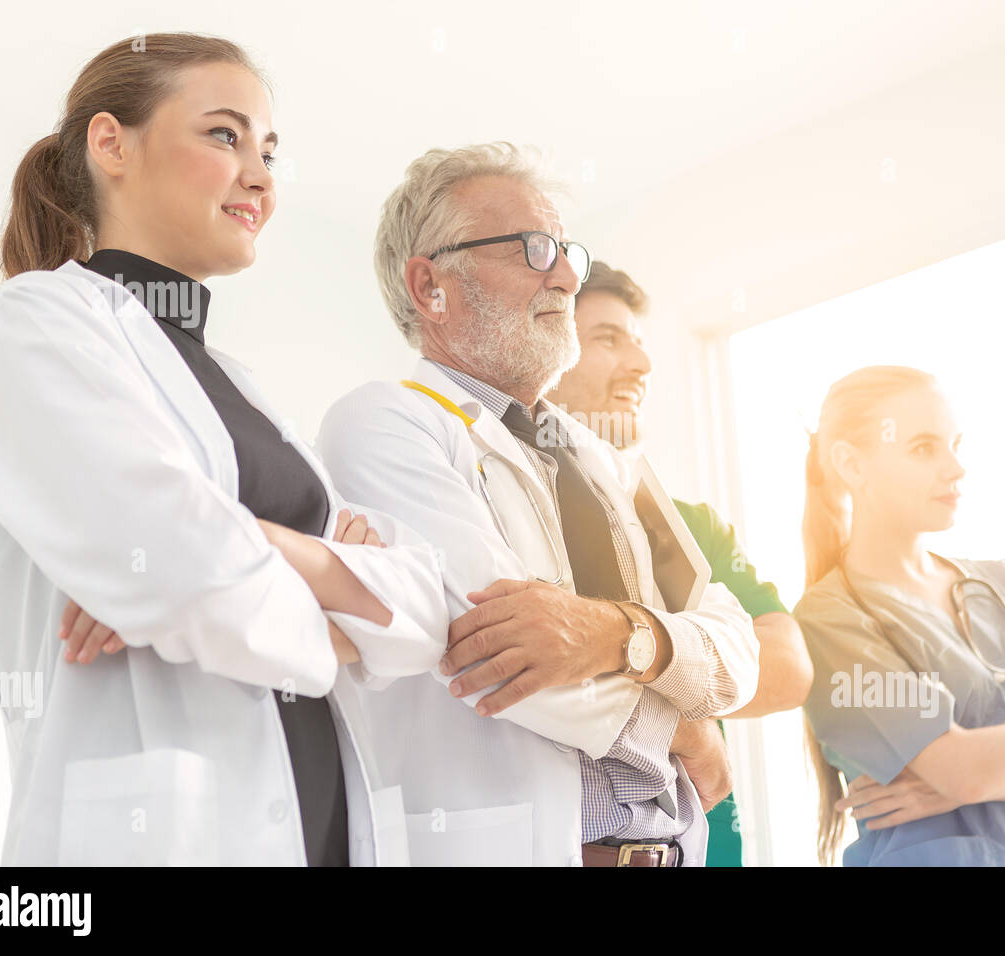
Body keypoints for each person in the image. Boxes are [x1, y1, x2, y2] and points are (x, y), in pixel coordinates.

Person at [0, 34, 449, 866]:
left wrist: (269, 545)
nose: (260, 175)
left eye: (269, 151)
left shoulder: (239, 386)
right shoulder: (40, 323)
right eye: (224, 136)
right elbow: (184, 573)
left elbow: (426, 605)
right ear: (111, 143)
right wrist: (342, 611)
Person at [316, 143, 761, 866]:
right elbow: (496, 654)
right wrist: (681, 728)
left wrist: (624, 634)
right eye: (532, 249)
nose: (564, 276)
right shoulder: (382, 423)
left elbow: (736, 647)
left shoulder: (608, 458)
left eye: (566, 253)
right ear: (431, 286)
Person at [795, 365, 1005, 866]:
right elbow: (965, 768)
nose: (956, 468)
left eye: (956, 444)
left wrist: (965, 789)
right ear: (852, 465)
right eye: (924, 447)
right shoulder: (830, 620)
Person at [545, 260, 812, 866]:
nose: (640, 365)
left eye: (638, 344)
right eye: (607, 340)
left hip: (705, 846)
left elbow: (788, 667)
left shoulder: (691, 522)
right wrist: (698, 662)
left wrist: (621, 647)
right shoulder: (512, 503)